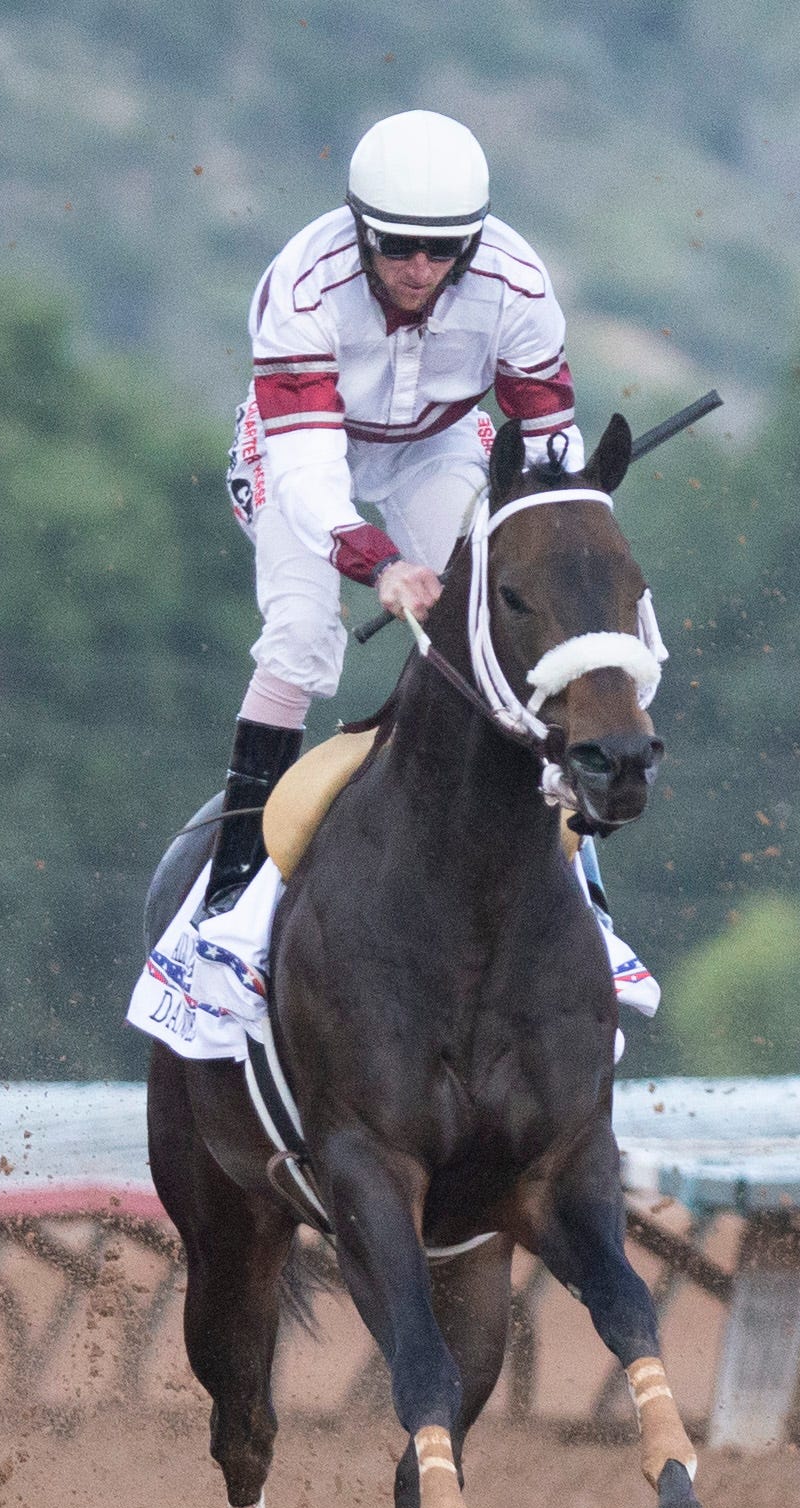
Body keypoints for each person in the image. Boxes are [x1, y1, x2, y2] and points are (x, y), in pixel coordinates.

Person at [202, 108, 585, 917]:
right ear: (359, 228)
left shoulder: (517, 283)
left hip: (436, 443)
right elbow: (310, 476)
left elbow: (552, 441)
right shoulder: (303, 288)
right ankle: (229, 895)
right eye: (397, 245)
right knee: (305, 638)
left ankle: (582, 887)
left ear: (472, 242)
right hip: (301, 445)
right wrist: (380, 564)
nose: (419, 267)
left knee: (500, 617)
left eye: (442, 248)